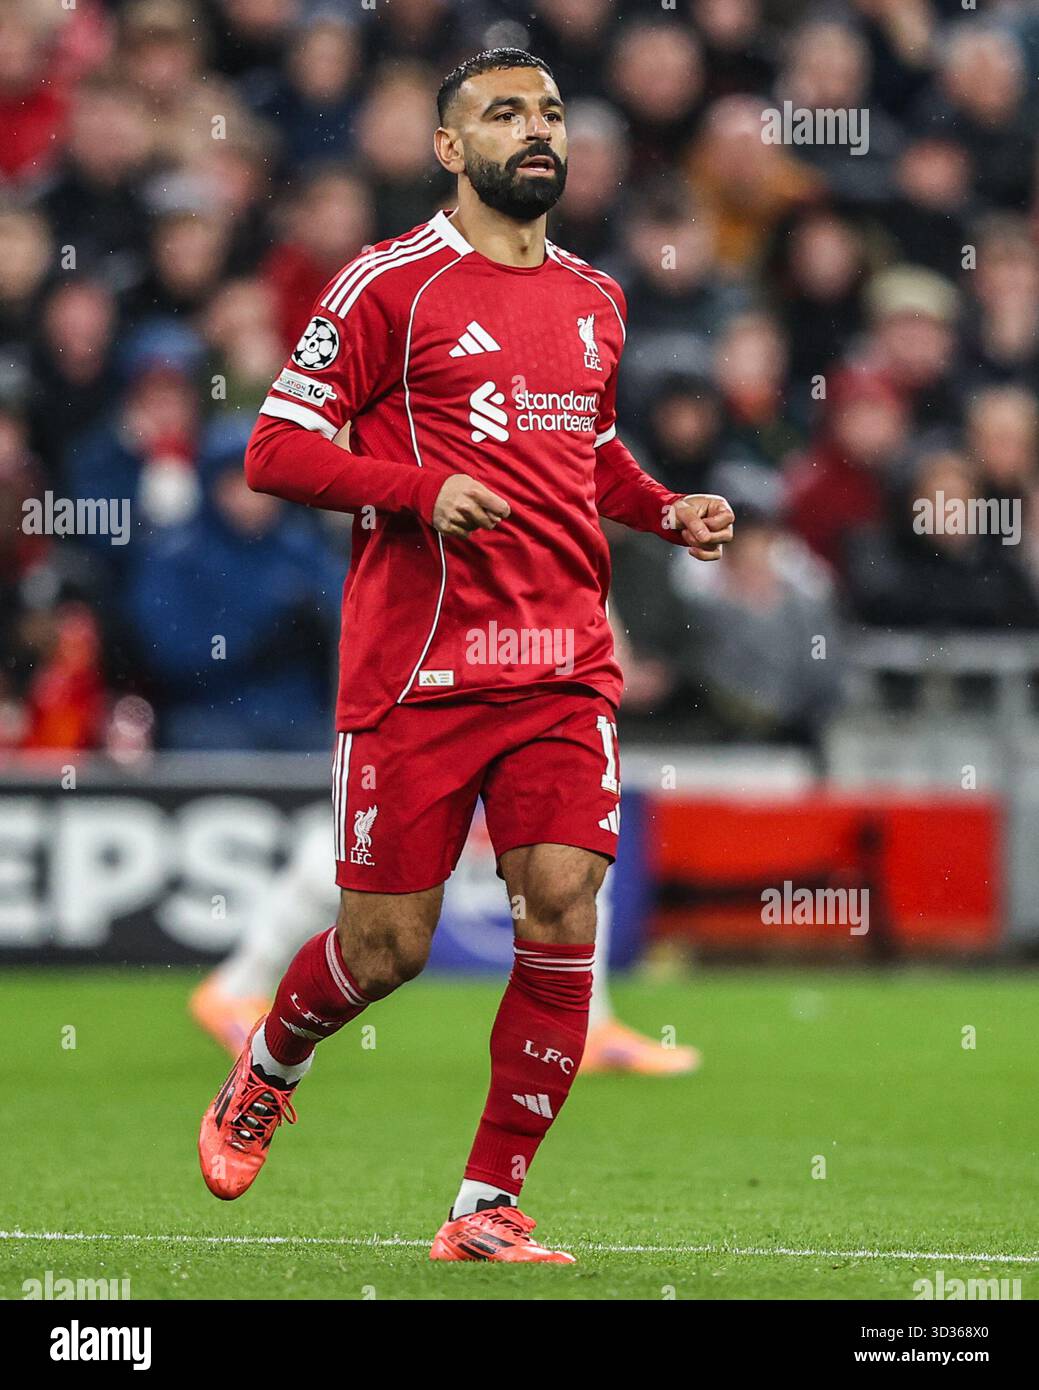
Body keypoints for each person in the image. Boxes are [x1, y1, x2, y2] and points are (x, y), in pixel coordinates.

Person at [197, 48, 734, 1265]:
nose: (536, 130)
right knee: (384, 949)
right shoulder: (391, 285)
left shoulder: (597, 295)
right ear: (449, 149)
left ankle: (483, 1202)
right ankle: (270, 1065)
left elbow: (589, 457)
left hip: (561, 661)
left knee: (561, 902)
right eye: (504, 113)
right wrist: (416, 487)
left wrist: (665, 509)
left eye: (550, 112)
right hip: (418, 668)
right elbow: (274, 451)